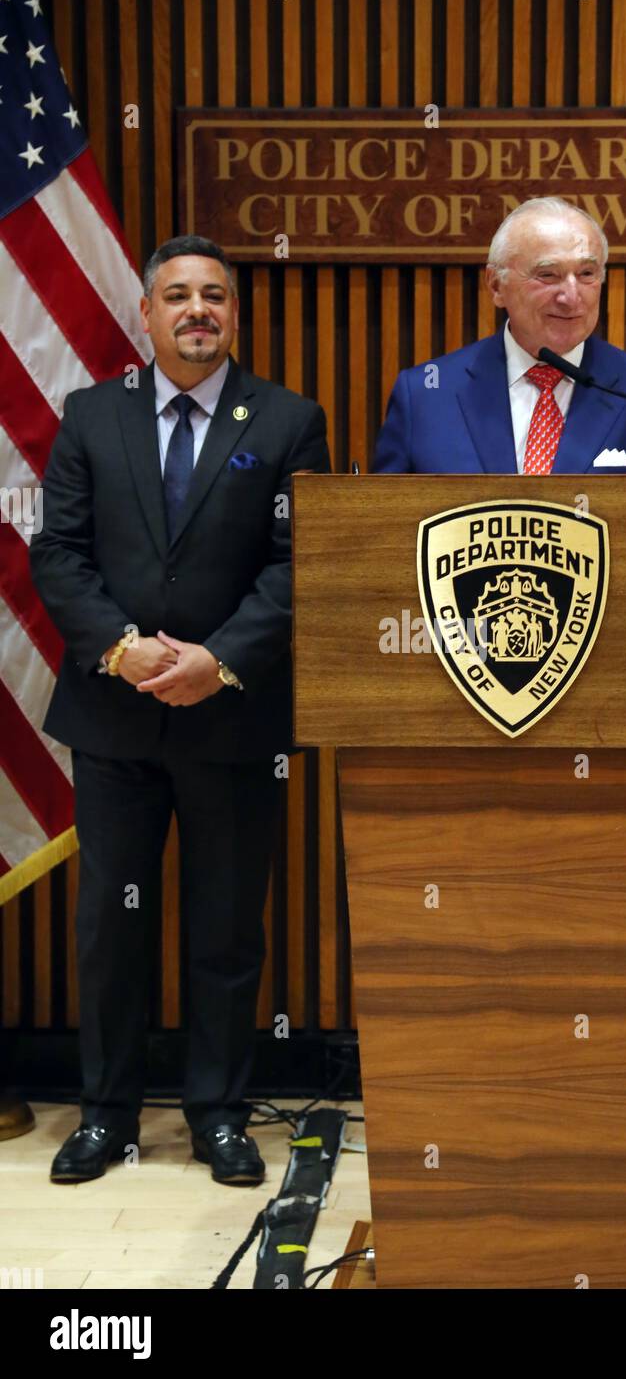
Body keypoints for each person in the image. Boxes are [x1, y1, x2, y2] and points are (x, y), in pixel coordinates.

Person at [29, 235, 330, 1186]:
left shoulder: (287, 420)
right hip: (115, 721)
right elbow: (59, 555)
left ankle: (218, 1115)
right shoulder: (88, 415)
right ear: (148, 315)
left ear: (233, 315)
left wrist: (221, 660)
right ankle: (108, 1115)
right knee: (111, 929)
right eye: (177, 296)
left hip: (233, 722)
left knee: (226, 925)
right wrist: (122, 649)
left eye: (214, 297)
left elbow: (300, 561)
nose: (197, 311)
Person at [374, 197, 626, 474]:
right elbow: (384, 533)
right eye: (548, 275)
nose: (571, 296)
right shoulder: (424, 397)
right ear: (496, 285)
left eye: (586, 274)